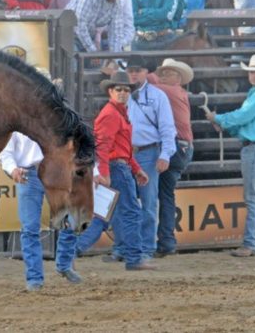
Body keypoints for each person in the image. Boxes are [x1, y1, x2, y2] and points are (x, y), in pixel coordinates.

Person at [0, 71, 83, 290]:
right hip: (32, 173)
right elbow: (5, 153)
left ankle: (59, 266)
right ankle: (36, 276)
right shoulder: (18, 120)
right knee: (32, 227)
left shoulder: (60, 117)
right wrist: (13, 169)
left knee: (68, 221)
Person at [74, 71, 153, 270]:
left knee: (104, 216)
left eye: (126, 90)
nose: (123, 93)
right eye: (119, 89)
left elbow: (117, 147)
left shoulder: (115, 113)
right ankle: (134, 258)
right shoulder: (112, 114)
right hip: (117, 169)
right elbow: (103, 146)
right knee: (131, 213)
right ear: (111, 91)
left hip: (117, 167)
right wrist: (104, 172)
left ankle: (70, 251)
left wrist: (135, 168)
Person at [204, 55, 255, 257]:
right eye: (252, 72)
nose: (253, 75)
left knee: (252, 197)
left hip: (254, 148)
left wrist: (219, 118)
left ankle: (251, 244)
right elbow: (247, 121)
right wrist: (227, 125)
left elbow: (243, 117)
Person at [125, 56, 176, 260]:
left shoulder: (158, 96)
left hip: (147, 152)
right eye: (131, 70)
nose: (134, 73)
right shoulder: (122, 94)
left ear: (147, 72)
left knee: (146, 202)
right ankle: (129, 247)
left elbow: (167, 128)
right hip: (127, 154)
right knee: (129, 202)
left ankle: (145, 247)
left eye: (138, 69)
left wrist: (165, 154)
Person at [146, 59, 195, 258]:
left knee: (153, 192)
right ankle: (166, 241)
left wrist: (128, 72)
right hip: (181, 148)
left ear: (178, 78)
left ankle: (158, 241)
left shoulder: (168, 91)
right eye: (162, 72)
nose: (163, 76)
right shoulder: (178, 92)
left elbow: (147, 80)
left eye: (168, 73)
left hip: (175, 147)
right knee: (165, 195)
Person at [66, 0, 132, 53]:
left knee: (95, 64)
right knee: (73, 64)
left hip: (87, 38)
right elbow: (79, 24)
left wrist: (115, 58)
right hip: (68, 36)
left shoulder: (117, 4)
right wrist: (93, 52)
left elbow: (116, 33)